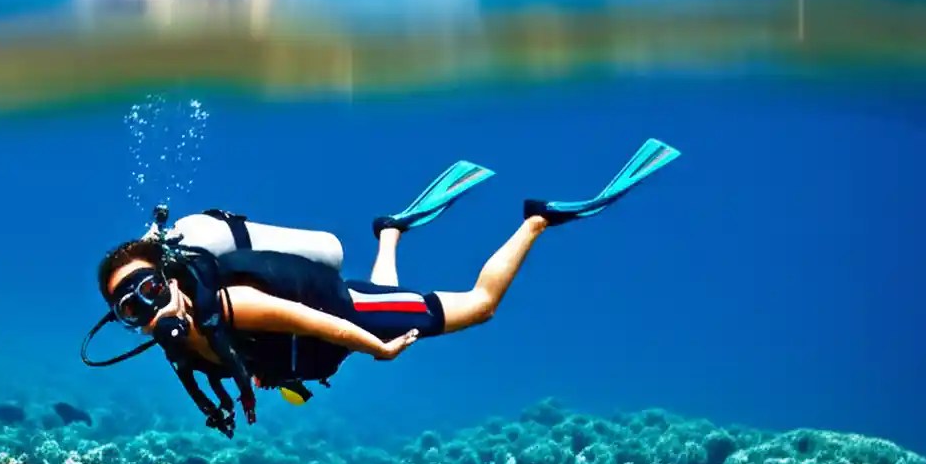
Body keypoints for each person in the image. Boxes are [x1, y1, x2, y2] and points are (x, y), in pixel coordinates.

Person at [83, 138, 679, 436]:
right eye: (130, 307)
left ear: (168, 278)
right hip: (327, 345)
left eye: (148, 289)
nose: (148, 308)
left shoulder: (231, 303)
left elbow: (313, 322)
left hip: (338, 316)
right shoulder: (175, 341)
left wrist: (379, 349)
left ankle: (537, 218)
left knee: (480, 307)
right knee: (380, 300)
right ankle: (390, 232)